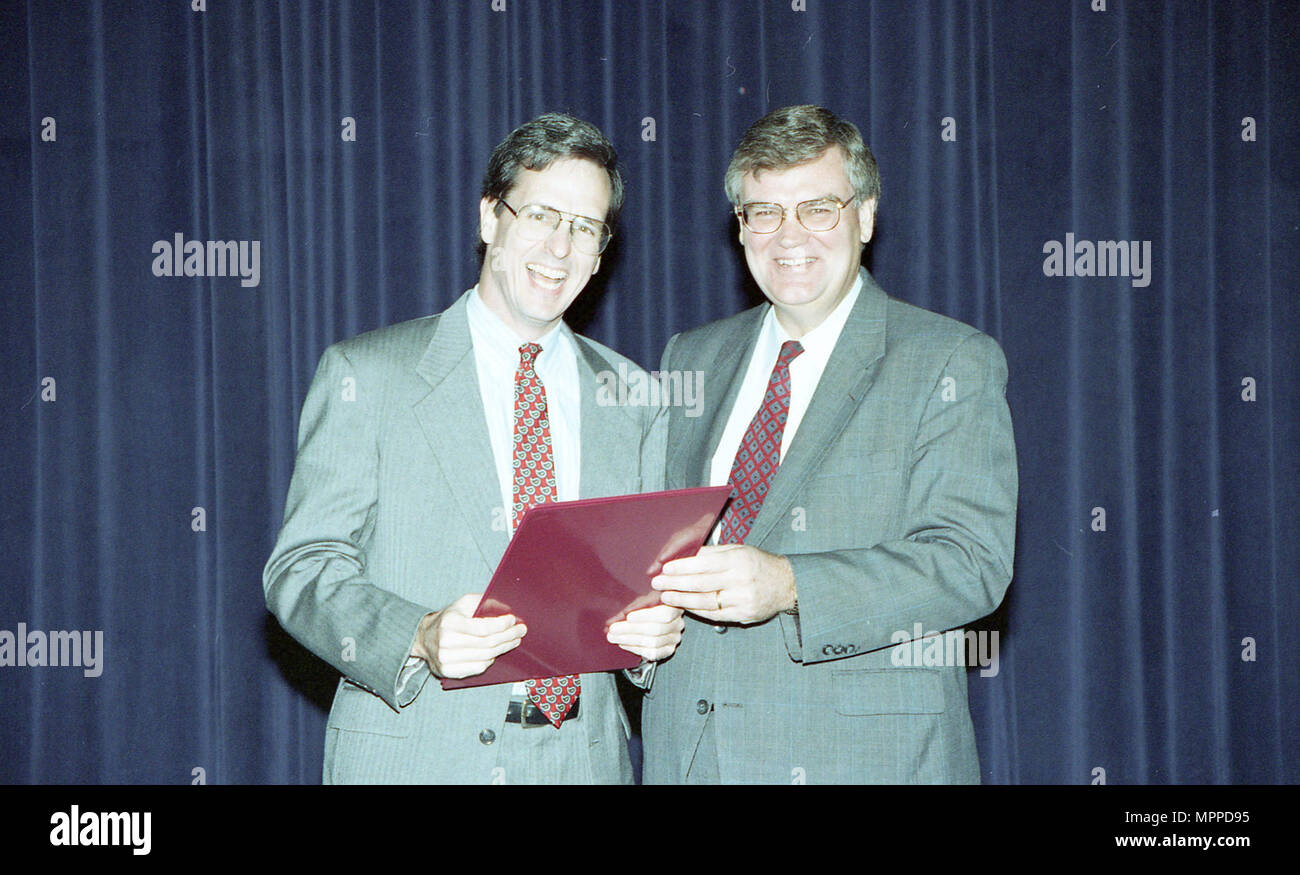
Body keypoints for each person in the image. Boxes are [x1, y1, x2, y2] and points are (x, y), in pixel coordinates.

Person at [263, 112, 682, 784]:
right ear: (491, 217)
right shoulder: (366, 375)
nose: (559, 247)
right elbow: (302, 569)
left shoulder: (636, 396)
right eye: (542, 215)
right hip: (419, 757)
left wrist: (650, 640)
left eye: (584, 227)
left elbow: (641, 586)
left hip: (586, 761)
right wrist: (418, 634)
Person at [642, 105, 1017, 783]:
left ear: (865, 216)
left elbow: (971, 563)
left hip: (863, 761)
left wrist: (789, 585)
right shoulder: (688, 356)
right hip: (689, 756)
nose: (789, 236)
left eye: (817, 208)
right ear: (740, 227)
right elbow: (649, 551)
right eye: (764, 211)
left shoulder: (948, 358)